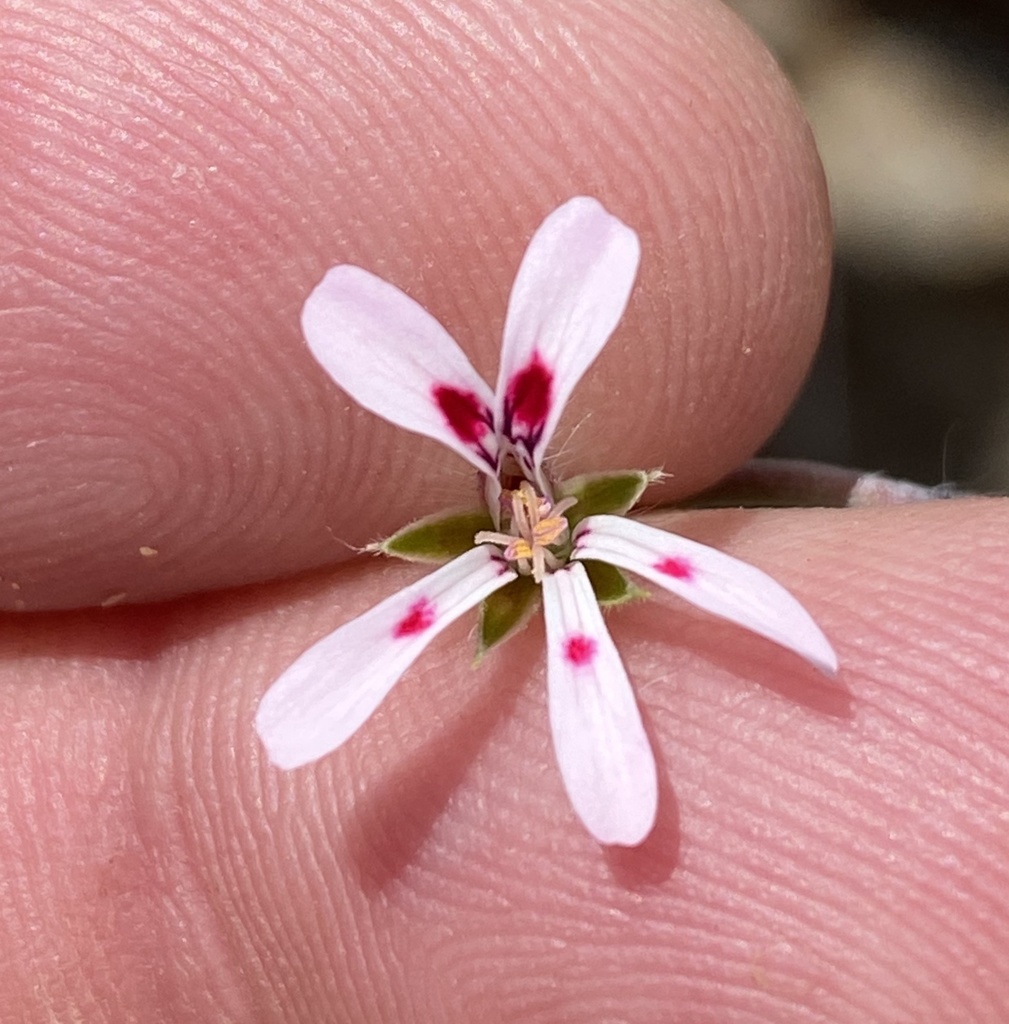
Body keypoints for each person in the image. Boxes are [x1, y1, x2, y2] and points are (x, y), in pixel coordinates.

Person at [1, 0, 1006, 1019]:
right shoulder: (520, 518)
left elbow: (567, 278)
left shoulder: (555, 508)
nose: (536, 519)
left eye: (535, 505)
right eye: (522, 506)